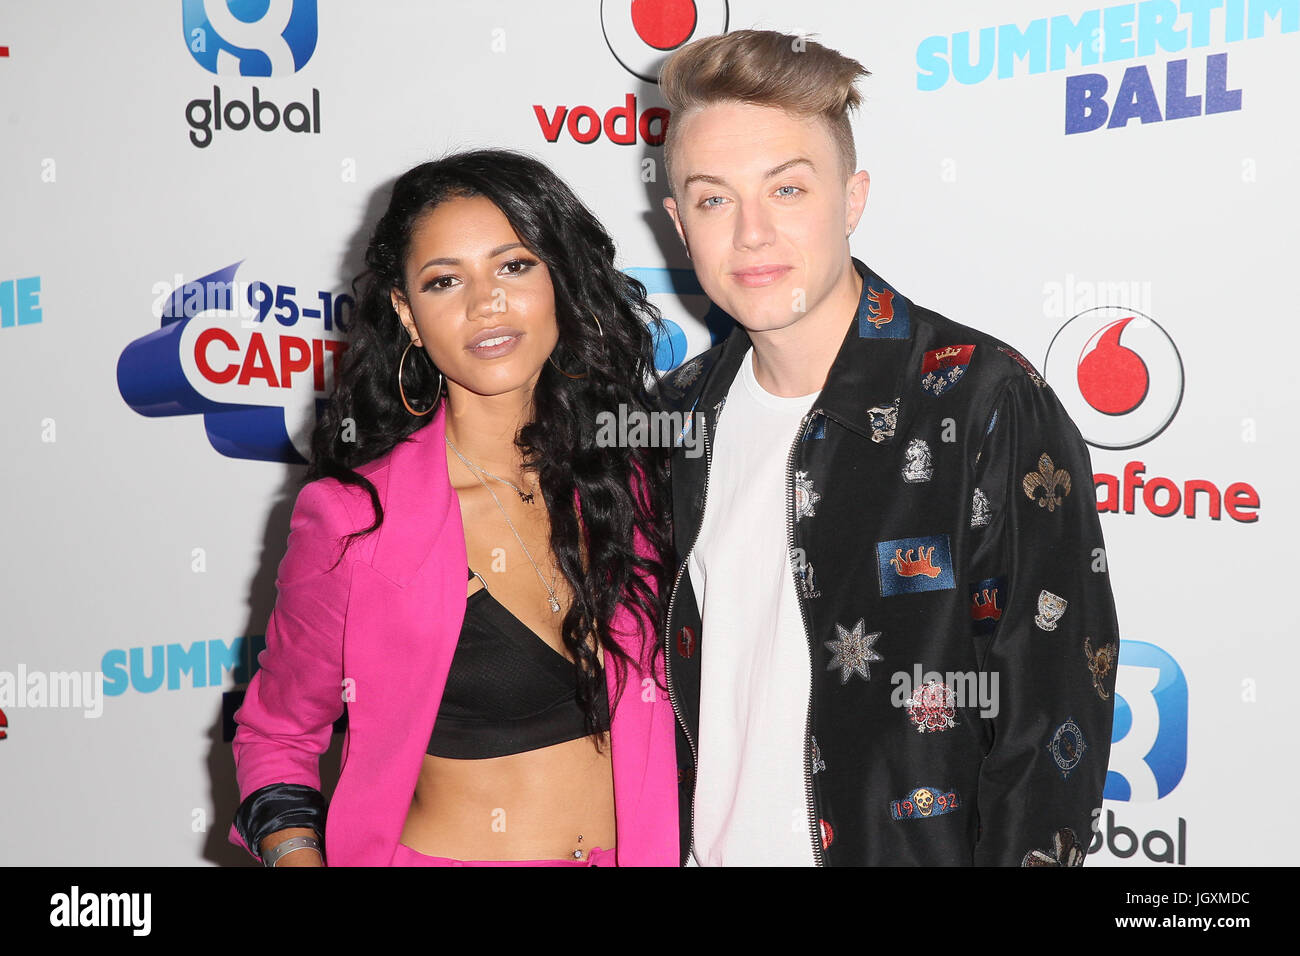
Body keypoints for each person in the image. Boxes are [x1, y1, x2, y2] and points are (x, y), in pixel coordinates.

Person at [653, 29, 1119, 866]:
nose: (752, 234)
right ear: (678, 223)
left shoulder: (983, 402)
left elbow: (1048, 734)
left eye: (787, 189)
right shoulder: (675, 419)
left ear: (853, 197)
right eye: (714, 199)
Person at [227, 149, 678, 866]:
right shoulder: (353, 519)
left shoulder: (643, 481)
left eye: (514, 266)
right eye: (445, 281)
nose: (485, 304)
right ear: (407, 313)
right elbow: (276, 735)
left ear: (559, 279)